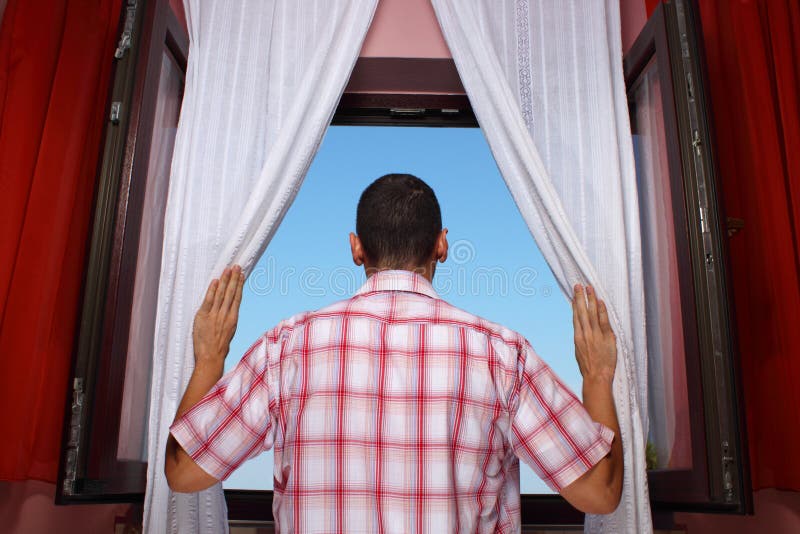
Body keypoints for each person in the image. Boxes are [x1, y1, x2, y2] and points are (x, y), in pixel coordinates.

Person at [165, 173, 622, 532]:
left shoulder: (285, 350)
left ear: (356, 248)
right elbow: (600, 492)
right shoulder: (502, 356)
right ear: (442, 245)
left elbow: (184, 473)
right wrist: (599, 376)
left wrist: (209, 358)